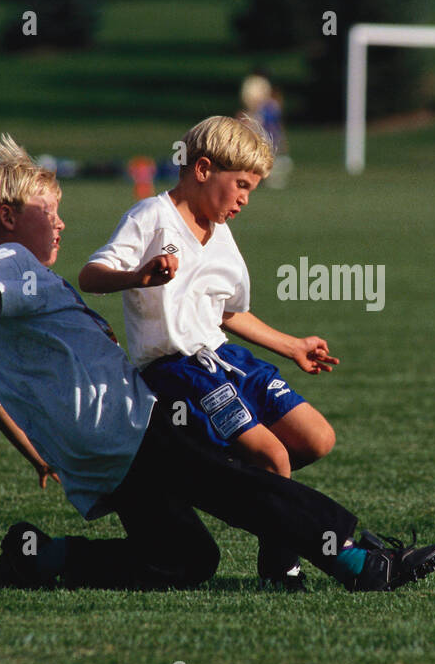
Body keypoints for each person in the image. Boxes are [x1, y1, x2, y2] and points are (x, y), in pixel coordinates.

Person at [0, 135, 435, 592]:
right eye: (50, 210)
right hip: (135, 427)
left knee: (185, 559)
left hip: (103, 470)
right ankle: (358, 561)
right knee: (242, 485)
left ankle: (43, 556)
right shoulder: (15, 264)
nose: (62, 223)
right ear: (11, 218)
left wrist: (39, 458)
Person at [79, 116, 337, 591]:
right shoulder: (150, 217)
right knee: (273, 457)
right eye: (240, 185)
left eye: (251, 189)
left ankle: (217, 484)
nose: (244, 198)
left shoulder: (219, 231)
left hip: (224, 357)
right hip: (175, 368)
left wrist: (292, 345)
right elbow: (91, 275)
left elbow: (229, 313)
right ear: (202, 169)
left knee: (316, 438)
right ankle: (280, 570)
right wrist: (137, 277)